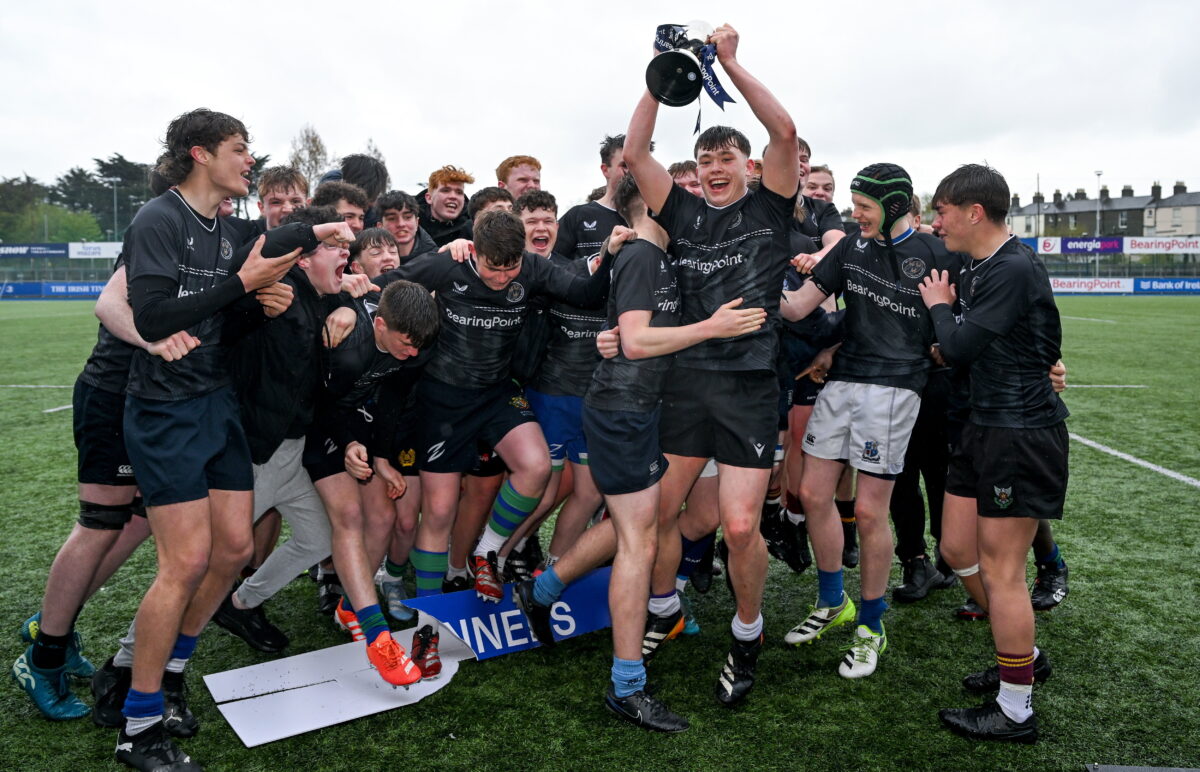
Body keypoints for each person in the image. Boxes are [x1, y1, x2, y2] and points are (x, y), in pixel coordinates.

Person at [518, 173, 766, 731]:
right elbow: (635, 340)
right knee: (638, 540)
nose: (689, 212)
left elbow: (629, 334)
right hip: (622, 414)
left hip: (643, 409)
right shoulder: (641, 257)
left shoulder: (661, 258)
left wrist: (623, 335)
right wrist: (711, 327)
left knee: (647, 523)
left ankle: (542, 590)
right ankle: (626, 685)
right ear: (651, 208)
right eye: (676, 202)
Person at [114, 108, 301, 771]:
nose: (249, 161)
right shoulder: (158, 219)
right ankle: (138, 728)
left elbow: (220, 319)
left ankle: (169, 676)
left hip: (217, 403)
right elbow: (154, 314)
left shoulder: (225, 227)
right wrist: (244, 286)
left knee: (233, 549)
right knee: (184, 563)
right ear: (201, 154)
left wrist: (254, 305)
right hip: (164, 411)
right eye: (239, 150)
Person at [623, 23, 802, 706]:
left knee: (736, 527)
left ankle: (747, 630)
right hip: (686, 385)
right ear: (695, 175)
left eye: (727, 159)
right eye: (705, 164)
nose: (716, 171)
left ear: (746, 166)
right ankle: (664, 610)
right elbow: (636, 150)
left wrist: (730, 63)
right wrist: (659, 76)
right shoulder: (684, 211)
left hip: (750, 387)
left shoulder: (771, 205)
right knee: (657, 515)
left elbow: (784, 133)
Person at [377, 210, 613, 606]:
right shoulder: (447, 264)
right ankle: (432, 620)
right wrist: (347, 306)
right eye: (493, 269)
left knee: (537, 466)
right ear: (475, 251)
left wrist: (610, 251)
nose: (503, 278)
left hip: (497, 393)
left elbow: (586, 293)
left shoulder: (534, 269)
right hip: (444, 399)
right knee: (438, 511)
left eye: (511, 268)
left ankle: (487, 552)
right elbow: (384, 288)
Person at [780, 163, 959, 679]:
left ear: (896, 206)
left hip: (896, 390)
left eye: (865, 206)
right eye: (853, 204)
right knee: (814, 495)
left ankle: (872, 627)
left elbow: (971, 316)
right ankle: (834, 602)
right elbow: (796, 310)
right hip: (842, 382)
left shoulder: (936, 254)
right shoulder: (848, 249)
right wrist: (755, 278)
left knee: (870, 509)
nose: (854, 213)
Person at [919, 163, 1070, 744]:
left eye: (944, 211)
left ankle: (1015, 710)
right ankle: (1024, 656)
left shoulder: (1011, 266)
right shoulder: (980, 263)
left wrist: (937, 305)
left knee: (1004, 572)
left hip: (1019, 432)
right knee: (956, 548)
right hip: (982, 426)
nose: (938, 222)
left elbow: (956, 346)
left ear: (974, 213)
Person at [555, 134, 652, 261]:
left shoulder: (658, 217)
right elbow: (553, 263)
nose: (633, 171)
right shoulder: (578, 216)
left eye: (639, 164)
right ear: (605, 170)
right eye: (625, 165)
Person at [418, 165, 474, 246]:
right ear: (429, 198)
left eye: (459, 192)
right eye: (445, 190)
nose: (453, 196)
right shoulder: (409, 224)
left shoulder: (473, 229)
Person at [376, 190, 437, 259]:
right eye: (392, 218)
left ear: (417, 222)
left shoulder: (437, 259)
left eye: (407, 217)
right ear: (380, 227)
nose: (401, 224)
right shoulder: (368, 261)